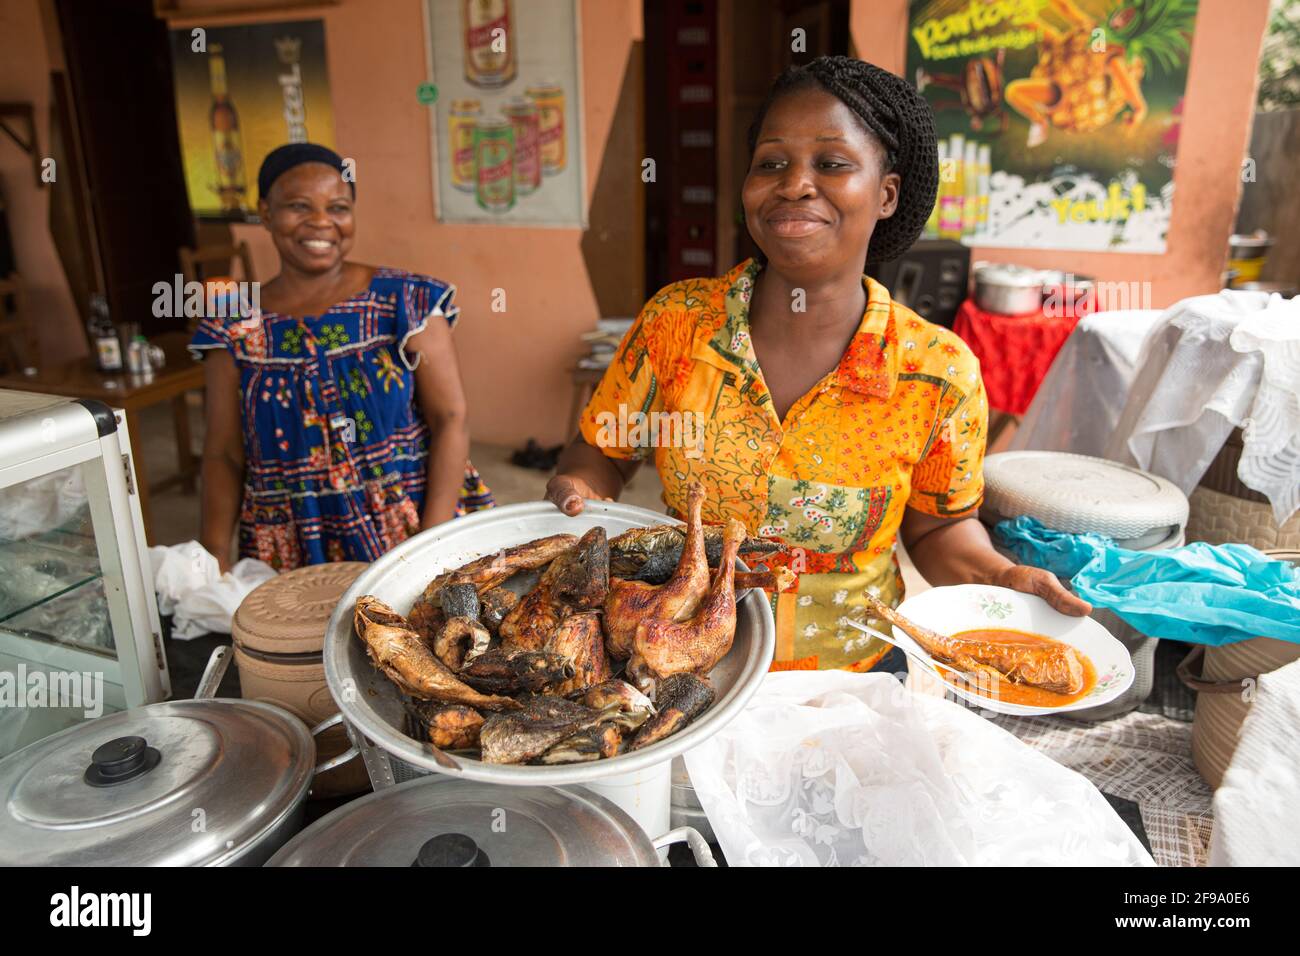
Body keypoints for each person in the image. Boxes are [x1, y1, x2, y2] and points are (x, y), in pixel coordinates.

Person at [546, 57, 1090, 673]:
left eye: (831, 163)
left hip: (855, 679)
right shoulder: (677, 325)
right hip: (684, 668)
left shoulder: (937, 372)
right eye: (770, 163)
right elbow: (604, 451)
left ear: (886, 194)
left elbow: (938, 531)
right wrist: (580, 490)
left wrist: (999, 575)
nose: (795, 184)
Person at [192, 143, 492, 571]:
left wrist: (430, 545)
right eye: (298, 206)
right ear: (266, 213)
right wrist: (213, 561)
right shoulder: (233, 324)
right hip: (289, 544)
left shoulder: (406, 302)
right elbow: (223, 452)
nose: (321, 221)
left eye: (338, 207)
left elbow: (451, 419)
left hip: (409, 531)